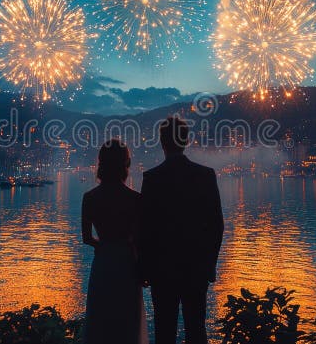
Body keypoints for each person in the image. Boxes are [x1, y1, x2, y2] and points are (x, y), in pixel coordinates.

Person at [140, 117, 224, 344]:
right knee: (196, 330)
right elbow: (217, 225)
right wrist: (210, 264)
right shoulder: (205, 175)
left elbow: (144, 229)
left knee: (164, 331)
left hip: (161, 269)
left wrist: (144, 268)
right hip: (196, 268)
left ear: (162, 142)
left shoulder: (151, 178)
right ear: (186, 140)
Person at [82, 139, 148, 344]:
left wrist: (102, 246)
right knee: (127, 322)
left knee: (101, 320)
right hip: (128, 263)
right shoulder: (136, 199)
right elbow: (140, 240)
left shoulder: (90, 197)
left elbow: (86, 238)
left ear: (101, 163)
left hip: (103, 263)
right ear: (125, 165)